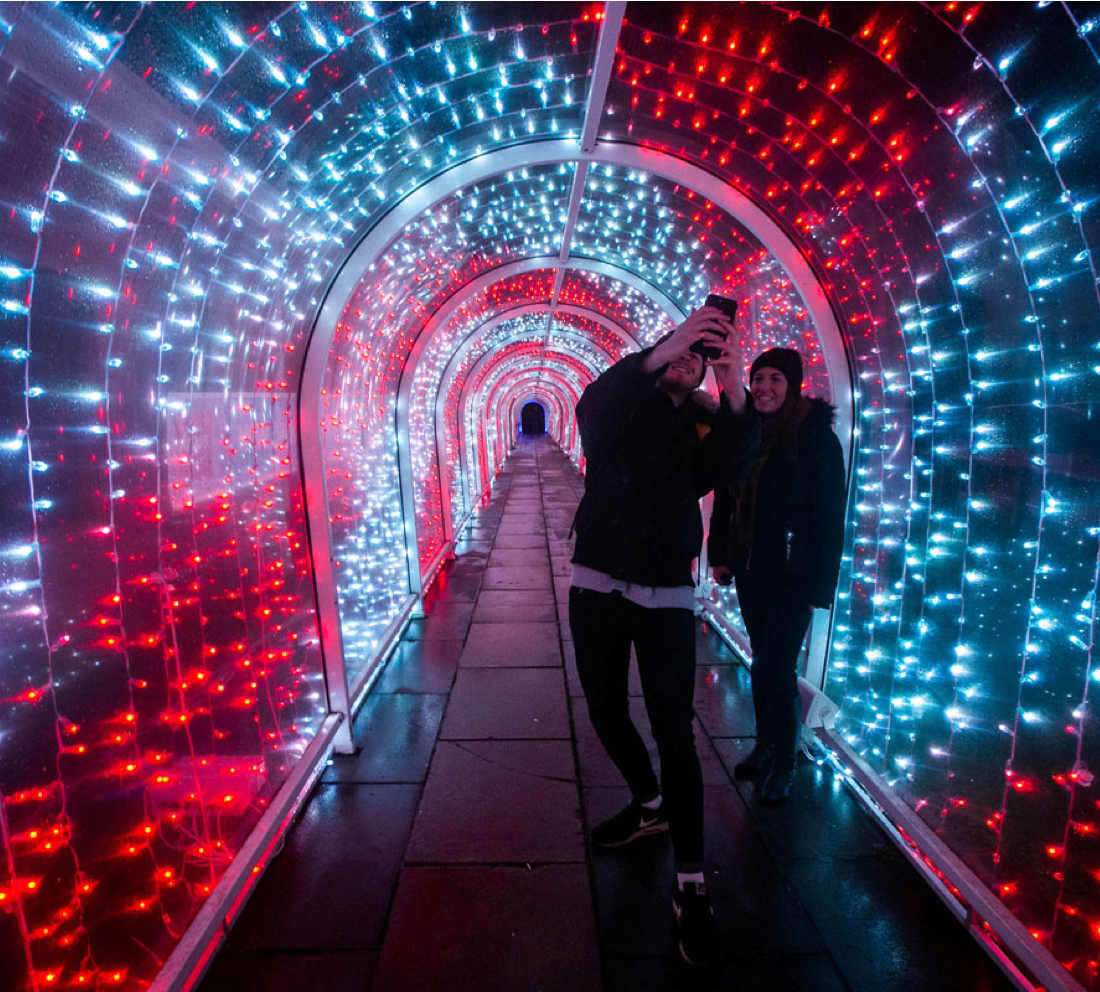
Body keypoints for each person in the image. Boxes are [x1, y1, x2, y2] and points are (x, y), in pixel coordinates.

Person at [569, 305, 752, 969]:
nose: (686, 360)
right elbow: (593, 407)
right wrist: (672, 343)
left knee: (675, 729)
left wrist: (730, 384)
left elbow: (733, 461)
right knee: (606, 710)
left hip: (668, 592)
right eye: (678, 350)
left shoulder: (702, 422)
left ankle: (692, 882)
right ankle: (649, 804)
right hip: (597, 582)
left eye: (697, 357)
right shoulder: (621, 407)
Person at [707, 347, 846, 805]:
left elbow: (829, 517)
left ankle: (784, 761)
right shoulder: (749, 431)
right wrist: (721, 554)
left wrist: (820, 587)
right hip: (751, 569)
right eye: (759, 377)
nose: (764, 387)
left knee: (776, 666)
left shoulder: (815, 438)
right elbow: (727, 496)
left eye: (775, 380)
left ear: (793, 385)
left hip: (793, 574)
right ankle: (766, 745)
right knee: (763, 660)